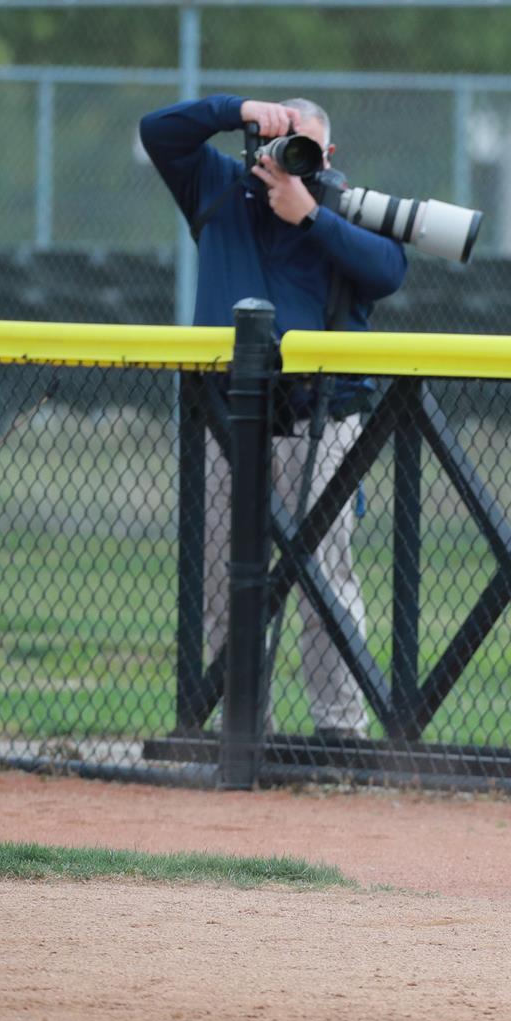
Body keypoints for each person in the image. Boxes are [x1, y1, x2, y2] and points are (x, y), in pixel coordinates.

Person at [140, 94, 407, 741]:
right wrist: (238, 108)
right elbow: (157, 131)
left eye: (306, 150)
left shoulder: (343, 208)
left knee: (326, 580)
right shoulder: (219, 186)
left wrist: (310, 215)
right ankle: (243, 729)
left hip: (322, 417)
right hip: (228, 415)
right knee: (222, 580)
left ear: (329, 155)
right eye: (279, 144)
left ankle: (340, 731)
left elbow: (388, 271)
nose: (290, 160)